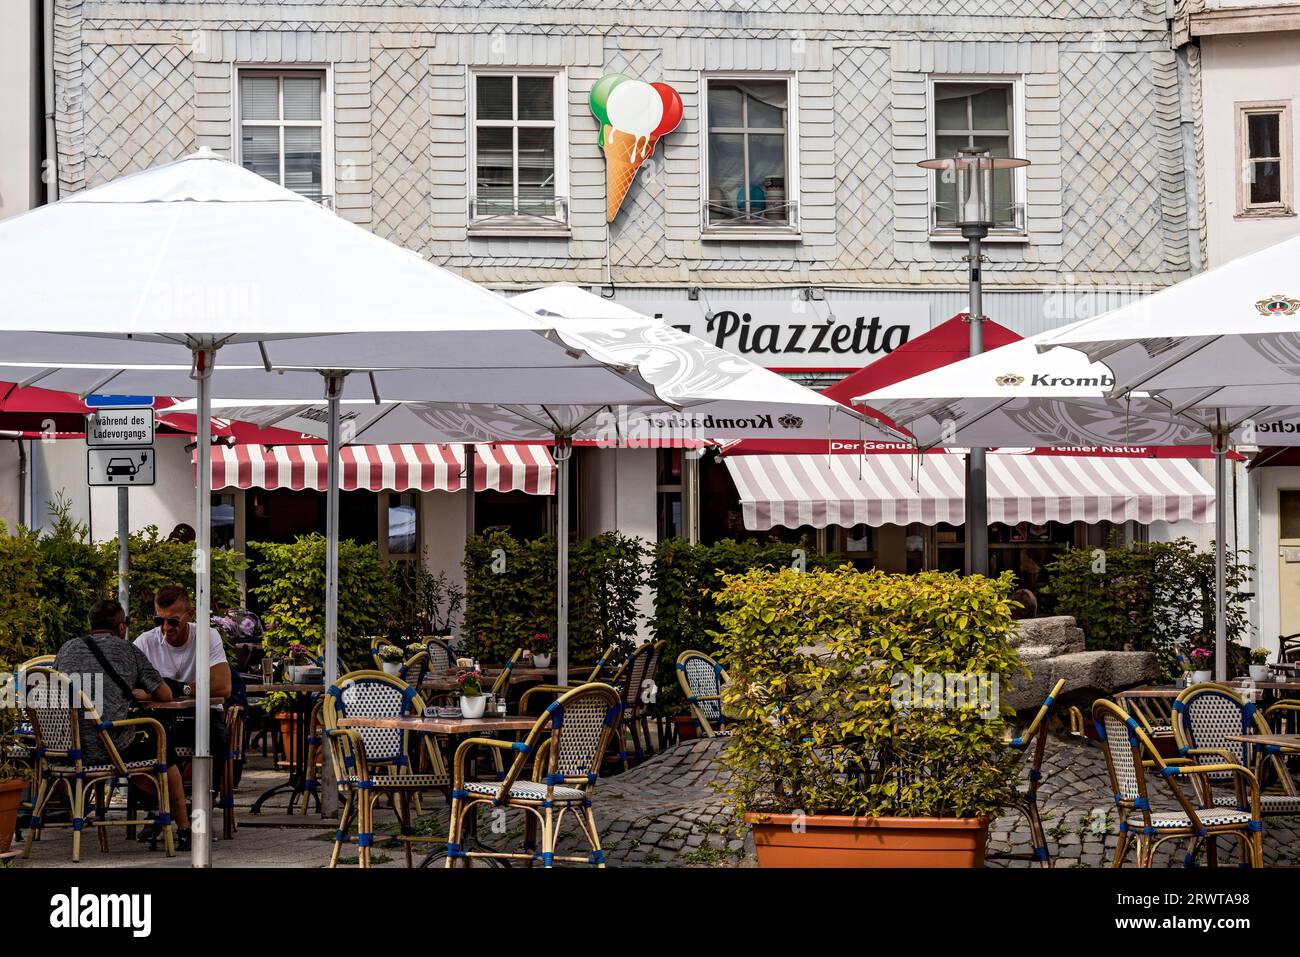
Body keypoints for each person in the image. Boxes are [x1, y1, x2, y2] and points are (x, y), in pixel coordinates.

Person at [53, 599, 191, 846]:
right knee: (160, 741)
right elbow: (165, 695)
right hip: (112, 747)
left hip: (67, 748)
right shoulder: (127, 650)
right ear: (121, 627)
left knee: (142, 738)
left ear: (90, 624)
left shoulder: (66, 649)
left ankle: (157, 809)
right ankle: (183, 827)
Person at [134, 584, 232, 800]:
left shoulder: (207, 636)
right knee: (140, 740)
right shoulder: (145, 642)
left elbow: (224, 686)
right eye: (159, 620)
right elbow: (130, 687)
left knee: (217, 737)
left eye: (173, 621)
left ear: (190, 615)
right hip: (161, 717)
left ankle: (201, 803)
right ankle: (158, 810)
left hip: (202, 713)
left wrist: (180, 688)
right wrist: (161, 692)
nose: (166, 627)